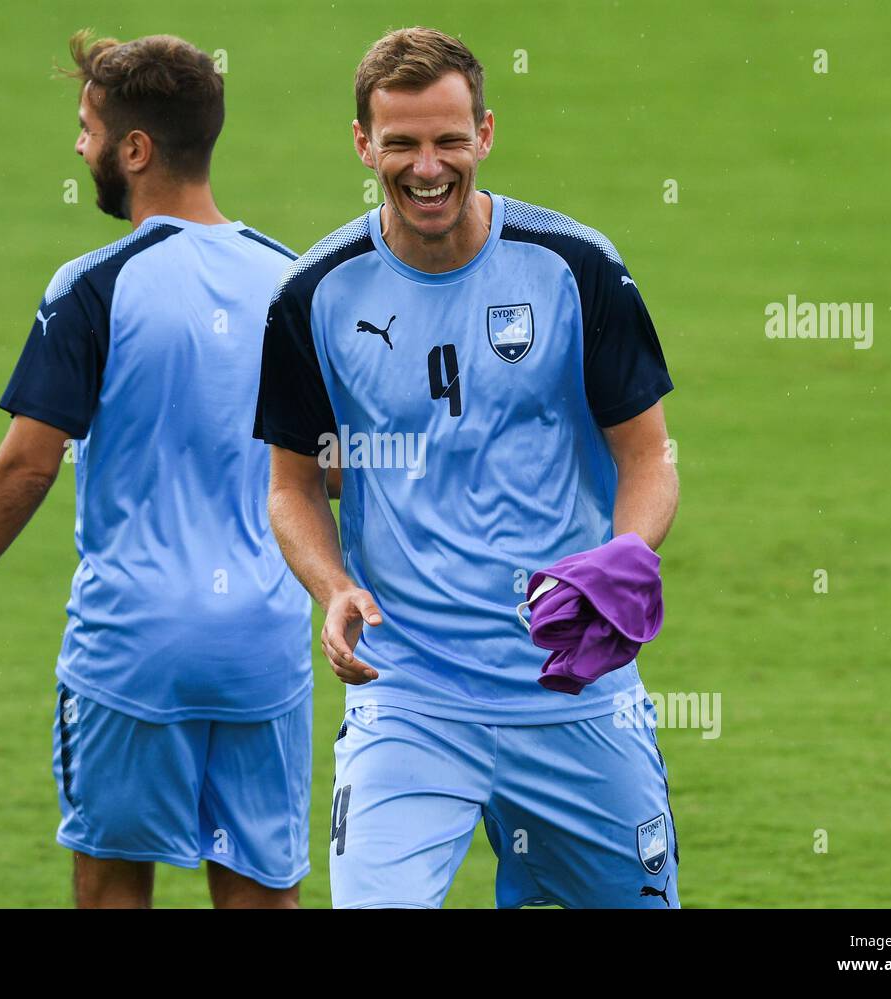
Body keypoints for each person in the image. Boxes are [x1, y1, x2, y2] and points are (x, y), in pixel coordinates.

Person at [0, 32, 313, 909]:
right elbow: (330, 471)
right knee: (262, 899)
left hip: (134, 651)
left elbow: (25, 468)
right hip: (263, 646)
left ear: (133, 151)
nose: (79, 147)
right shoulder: (290, 280)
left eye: (87, 129)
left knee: (110, 893)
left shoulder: (92, 285)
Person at [255, 27, 681, 908]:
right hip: (407, 693)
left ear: (484, 134)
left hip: (573, 686)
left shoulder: (575, 267)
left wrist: (625, 555)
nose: (427, 166)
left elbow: (648, 456)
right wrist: (331, 585)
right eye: (402, 142)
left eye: (449, 139)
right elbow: (292, 485)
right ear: (363, 144)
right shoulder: (314, 293)